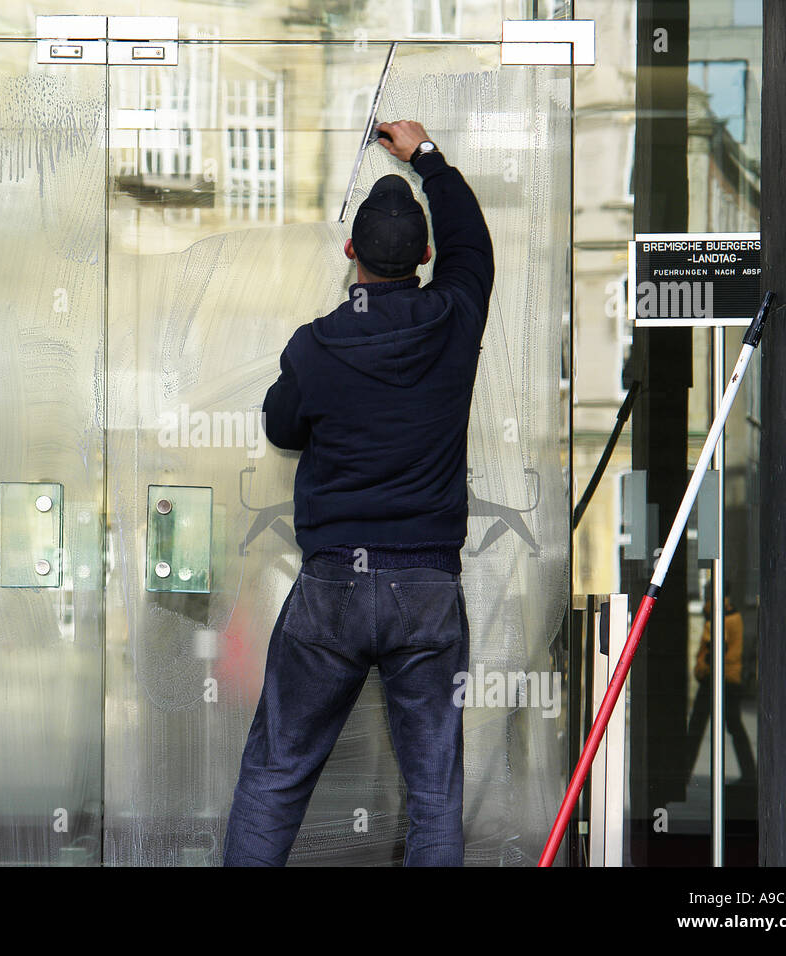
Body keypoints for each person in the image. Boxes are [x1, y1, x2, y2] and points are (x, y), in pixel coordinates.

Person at [223, 120, 493, 866]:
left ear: (351, 254)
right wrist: (428, 159)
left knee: (277, 775)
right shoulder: (455, 316)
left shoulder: (318, 344)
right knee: (435, 793)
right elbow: (475, 246)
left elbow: (282, 428)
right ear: (426, 259)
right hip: (428, 587)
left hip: (335, 586)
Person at [684, 583, 756, 785]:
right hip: (729, 678)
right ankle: (749, 772)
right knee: (734, 726)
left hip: (716, 679)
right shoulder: (732, 616)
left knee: (697, 728)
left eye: (707, 594)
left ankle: (683, 775)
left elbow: (713, 650)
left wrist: (701, 670)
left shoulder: (720, 617)